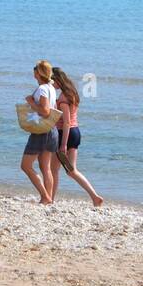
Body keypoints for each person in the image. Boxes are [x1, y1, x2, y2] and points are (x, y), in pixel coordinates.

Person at [46, 67, 104, 207]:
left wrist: (63, 144)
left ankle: (50, 199)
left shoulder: (63, 98)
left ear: (57, 80)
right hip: (75, 132)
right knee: (72, 171)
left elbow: (66, 122)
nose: (51, 85)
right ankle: (95, 197)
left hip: (65, 134)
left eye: (51, 81)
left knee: (54, 169)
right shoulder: (72, 93)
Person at [20, 60, 59, 204]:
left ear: (38, 73)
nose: (34, 74)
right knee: (45, 167)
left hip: (41, 131)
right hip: (52, 130)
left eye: (35, 71)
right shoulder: (51, 88)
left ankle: (45, 196)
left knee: (26, 165)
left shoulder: (43, 89)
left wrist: (31, 102)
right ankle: (47, 199)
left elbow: (45, 111)